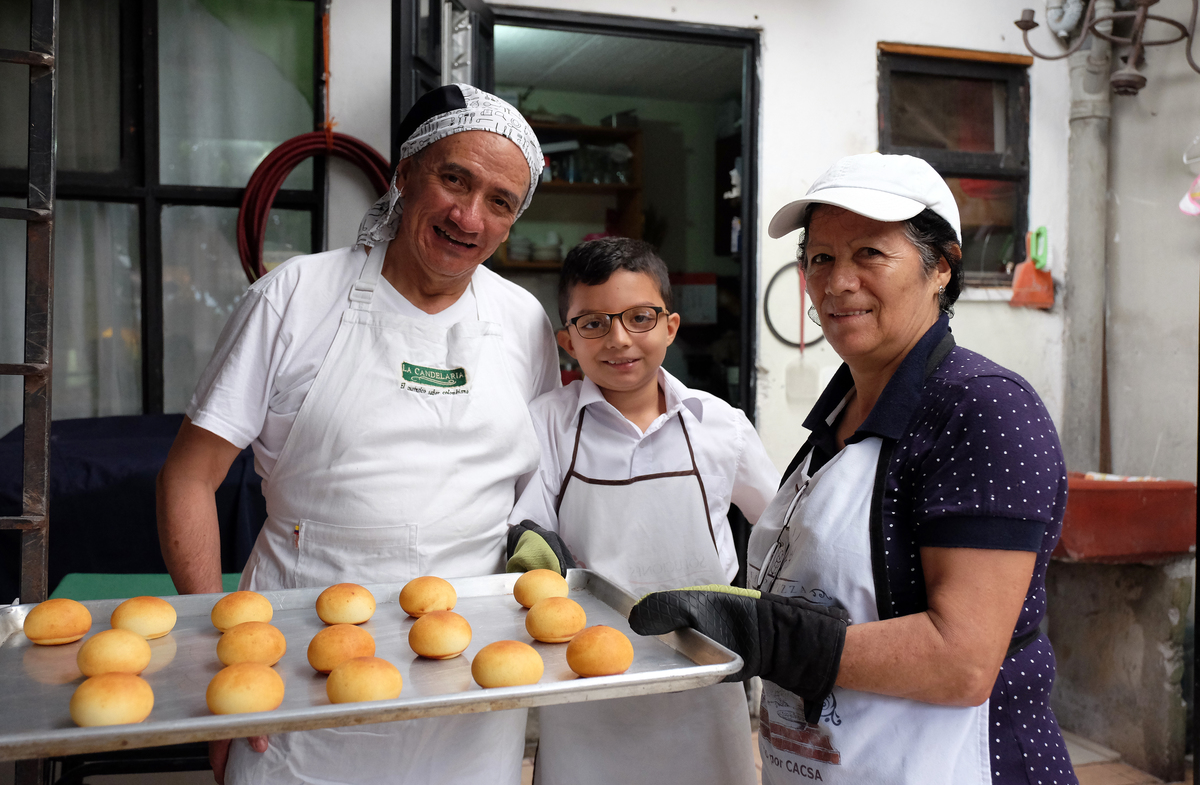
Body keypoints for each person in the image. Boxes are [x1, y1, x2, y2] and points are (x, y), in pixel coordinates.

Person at [156, 84, 560, 785]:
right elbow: (189, 479)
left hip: (467, 667)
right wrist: (224, 659)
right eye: (453, 178)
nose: (469, 216)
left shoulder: (524, 322)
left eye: (500, 201)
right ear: (405, 174)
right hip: (297, 654)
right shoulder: (294, 297)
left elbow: (541, 487)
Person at [631, 153, 1077, 785]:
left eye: (870, 253)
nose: (838, 283)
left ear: (940, 267)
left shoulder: (982, 410)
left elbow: (963, 661)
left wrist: (762, 633)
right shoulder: (839, 413)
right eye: (819, 258)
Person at [505, 237, 778, 785]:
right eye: (594, 324)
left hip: (704, 667)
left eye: (640, 318)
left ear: (671, 326)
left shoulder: (719, 424)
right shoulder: (547, 425)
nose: (619, 340)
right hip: (586, 675)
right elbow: (531, 540)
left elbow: (781, 532)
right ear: (567, 341)